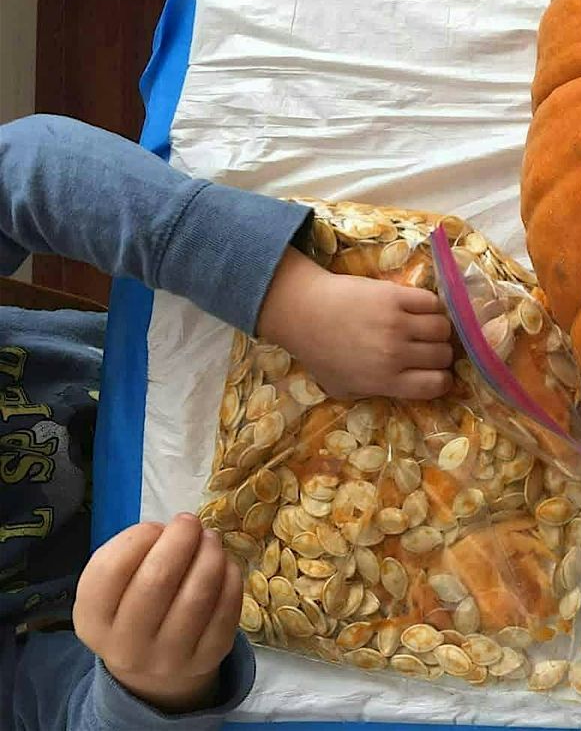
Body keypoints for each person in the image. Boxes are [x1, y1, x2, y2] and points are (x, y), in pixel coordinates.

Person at [0, 113, 455, 729]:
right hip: (258, 586)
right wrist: (153, 687)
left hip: (248, 343)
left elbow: (27, 167)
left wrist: (289, 298)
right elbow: (55, 714)